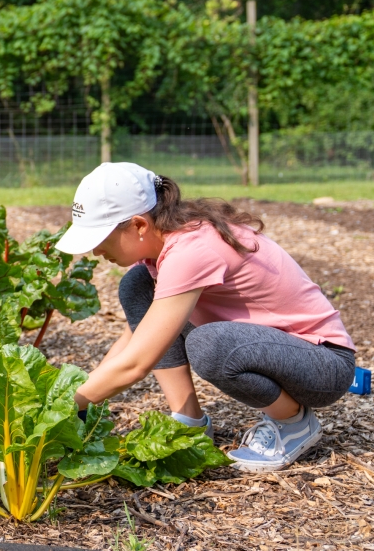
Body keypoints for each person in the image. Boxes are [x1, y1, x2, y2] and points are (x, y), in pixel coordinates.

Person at [56, 162, 355, 473]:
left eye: (99, 238)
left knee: (208, 346)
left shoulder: (191, 251)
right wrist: (81, 393)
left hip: (322, 364)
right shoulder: (165, 245)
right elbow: (140, 336)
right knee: (137, 285)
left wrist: (63, 407)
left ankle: (293, 423)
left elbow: (137, 363)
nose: (94, 252)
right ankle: (189, 422)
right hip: (273, 347)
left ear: (138, 225)